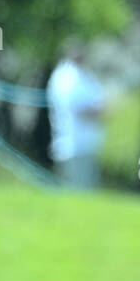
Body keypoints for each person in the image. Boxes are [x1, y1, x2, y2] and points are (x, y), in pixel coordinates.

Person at [47, 39, 106, 189]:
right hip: (72, 144)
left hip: (87, 144)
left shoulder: (86, 76)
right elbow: (76, 107)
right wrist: (98, 111)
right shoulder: (65, 77)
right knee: (76, 190)